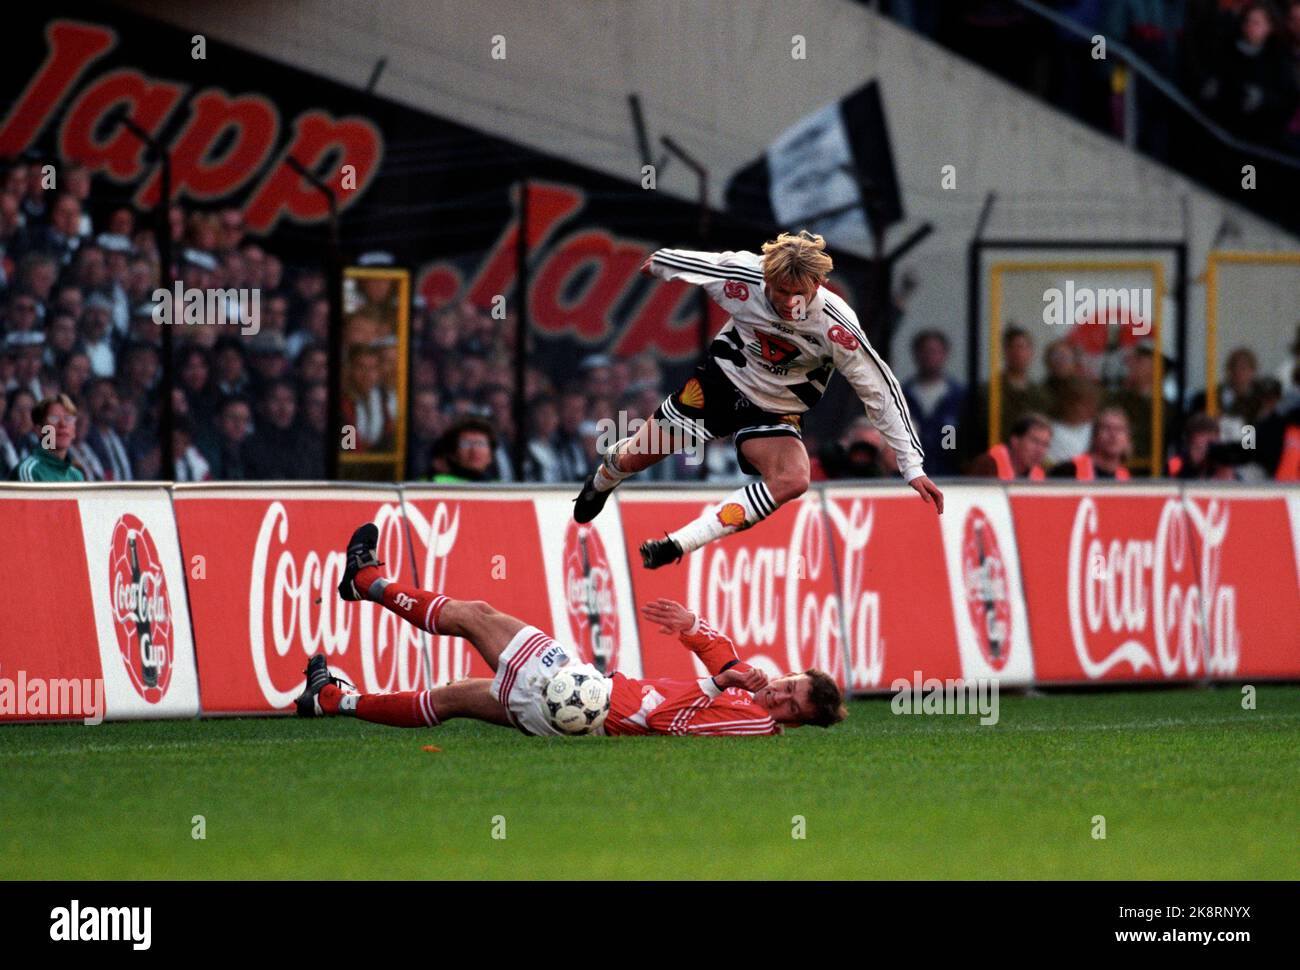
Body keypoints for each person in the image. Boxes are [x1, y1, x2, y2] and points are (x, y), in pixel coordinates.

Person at [572, 230, 941, 569]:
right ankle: (605, 477)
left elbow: (880, 389)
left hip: (778, 410)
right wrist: (663, 263)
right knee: (634, 457)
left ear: (818, 284)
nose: (791, 302)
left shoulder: (836, 324)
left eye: (801, 293)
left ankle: (679, 544)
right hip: (718, 385)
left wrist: (912, 466)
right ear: (766, 276)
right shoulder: (744, 275)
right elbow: (703, 264)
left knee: (795, 479)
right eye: (781, 291)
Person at [293, 524, 847, 737]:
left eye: (790, 703)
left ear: (796, 722)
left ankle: (366, 580)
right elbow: (727, 664)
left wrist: (713, 685)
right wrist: (695, 631)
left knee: (476, 616)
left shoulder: (751, 728)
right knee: (456, 697)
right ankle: (331, 700)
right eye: (789, 683)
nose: (779, 693)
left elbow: (664, 719)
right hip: (589, 704)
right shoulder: (755, 702)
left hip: (589, 703)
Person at [10, 393, 85, 482]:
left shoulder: (76, 475)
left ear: (73, 431)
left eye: (68, 419)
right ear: (39, 431)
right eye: (54, 418)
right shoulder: (30, 471)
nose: (63, 424)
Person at [1049, 407, 1133, 480]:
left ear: (1127, 440)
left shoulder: (1127, 479)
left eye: (1119, 429)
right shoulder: (1066, 471)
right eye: (1106, 428)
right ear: (1094, 436)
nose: (1113, 435)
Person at [967, 413, 1052, 480]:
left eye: (1045, 445)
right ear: (1015, 441)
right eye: (1034, 441)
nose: (1040, 450)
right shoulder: (987, 465)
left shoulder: (1039, 475)